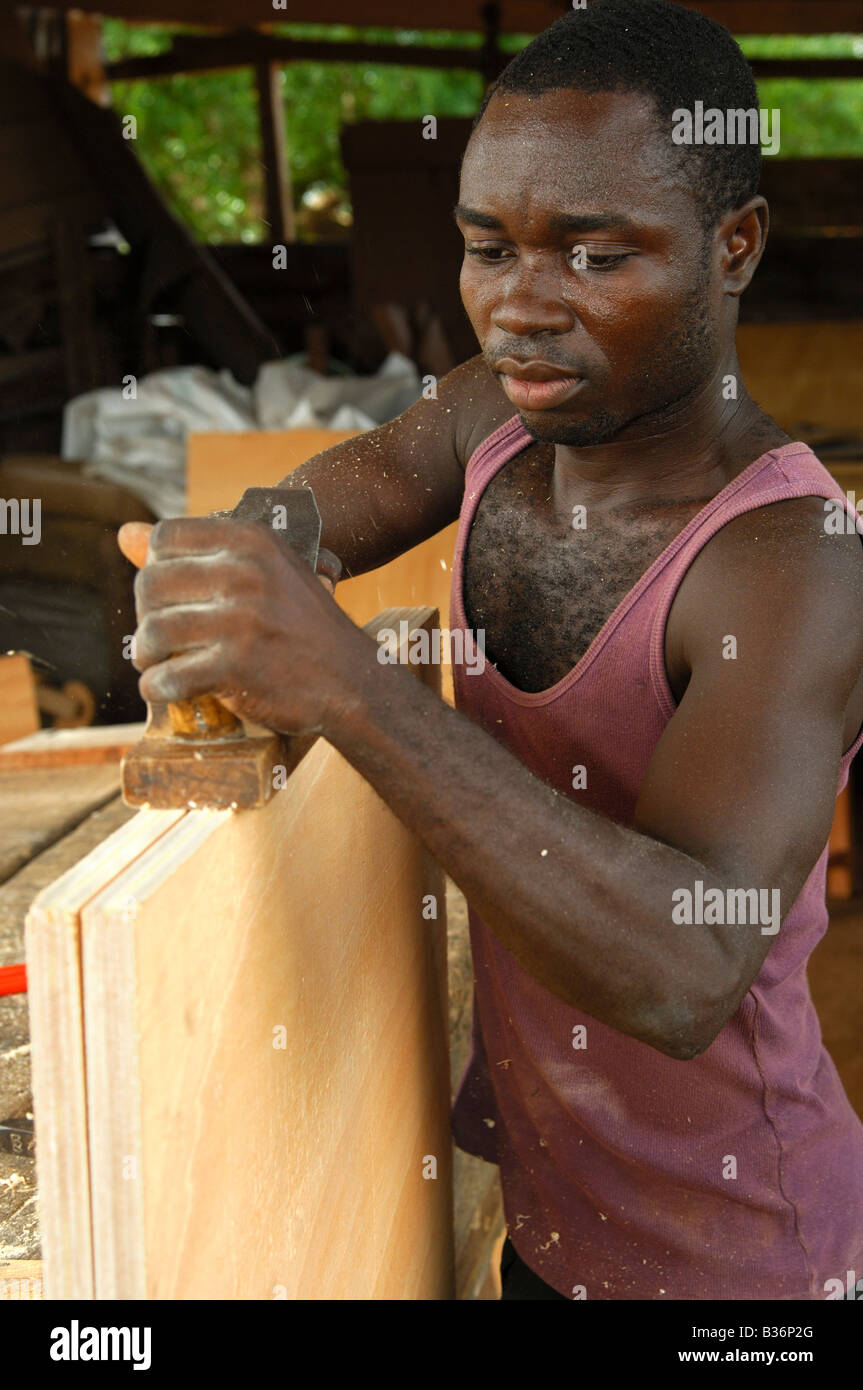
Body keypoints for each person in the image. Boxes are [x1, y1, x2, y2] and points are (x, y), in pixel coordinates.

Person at [119, 0, 863, 1300]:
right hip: (549, 1220)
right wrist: (238, 548)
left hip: (744, 1264)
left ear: (732, 246)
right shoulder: (491, 422)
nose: (520, 307)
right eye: (488, 248)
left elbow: (690, 964)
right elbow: (326, 500)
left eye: (592, 254)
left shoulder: (794, 564)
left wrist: (344, 683)